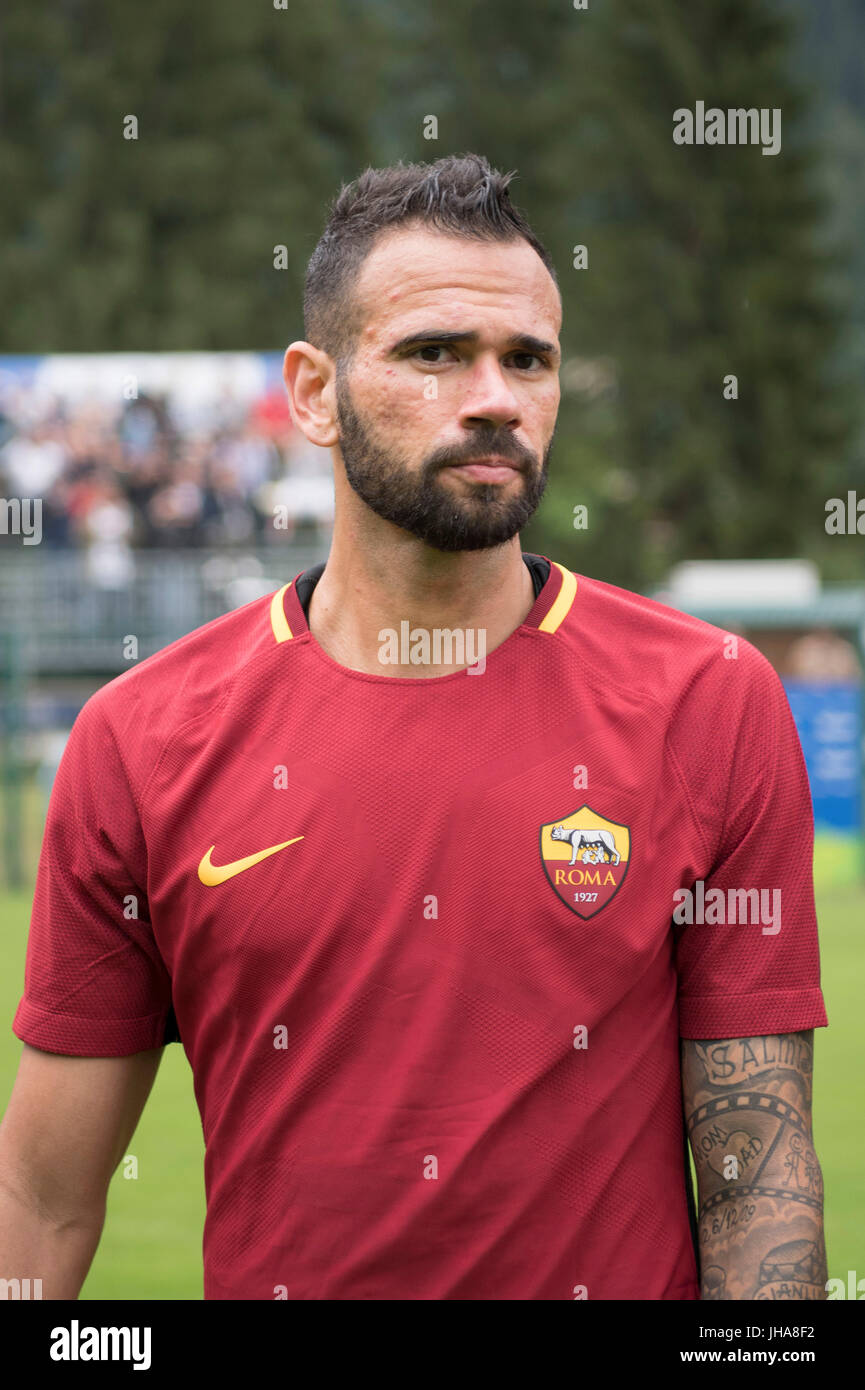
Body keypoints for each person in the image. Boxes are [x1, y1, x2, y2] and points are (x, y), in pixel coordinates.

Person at [0, 154, 828, 1301]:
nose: (492, 395)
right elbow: (44, 1201)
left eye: (526, 360)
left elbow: (756, 1176)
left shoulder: (708, 698)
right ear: (311, 392)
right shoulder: (137, 740)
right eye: (433, 352)